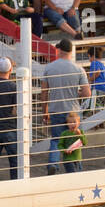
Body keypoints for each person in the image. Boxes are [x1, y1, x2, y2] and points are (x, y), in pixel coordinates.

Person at [40, 38, 88, 175]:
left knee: (56, 140)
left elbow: (44, 93)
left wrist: (45, 111)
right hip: (73, 112)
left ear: (59, 50)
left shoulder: (49, 68)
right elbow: (87, 93)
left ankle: (53, 163)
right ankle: (75, 170)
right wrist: (76, 94)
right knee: (75, 139)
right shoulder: (78, 69)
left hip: (56, 110)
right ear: (71, 51)